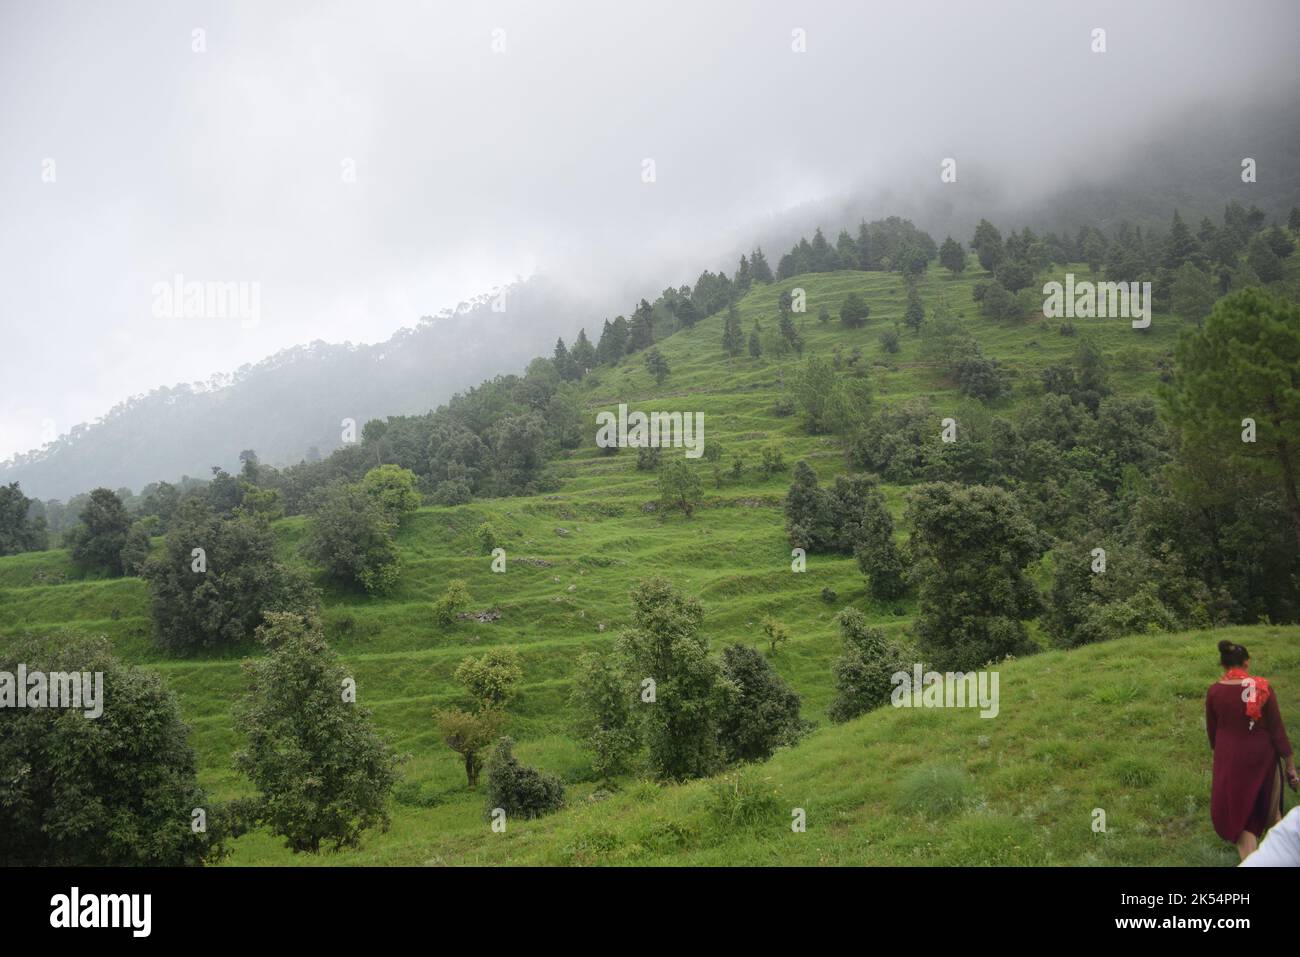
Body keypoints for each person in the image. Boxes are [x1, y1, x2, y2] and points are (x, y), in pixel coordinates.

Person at [1207, 640, 1299, 861]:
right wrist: (1291, 768)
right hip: (1262, 758)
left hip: (1229, 758)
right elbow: (1277, 731)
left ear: (1222, 663)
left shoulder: (1214, 692)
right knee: (1270, 808)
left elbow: (1213, 735)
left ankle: (1254, 860)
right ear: (1247, 662)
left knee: (1242, 816)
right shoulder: (1262, 687)